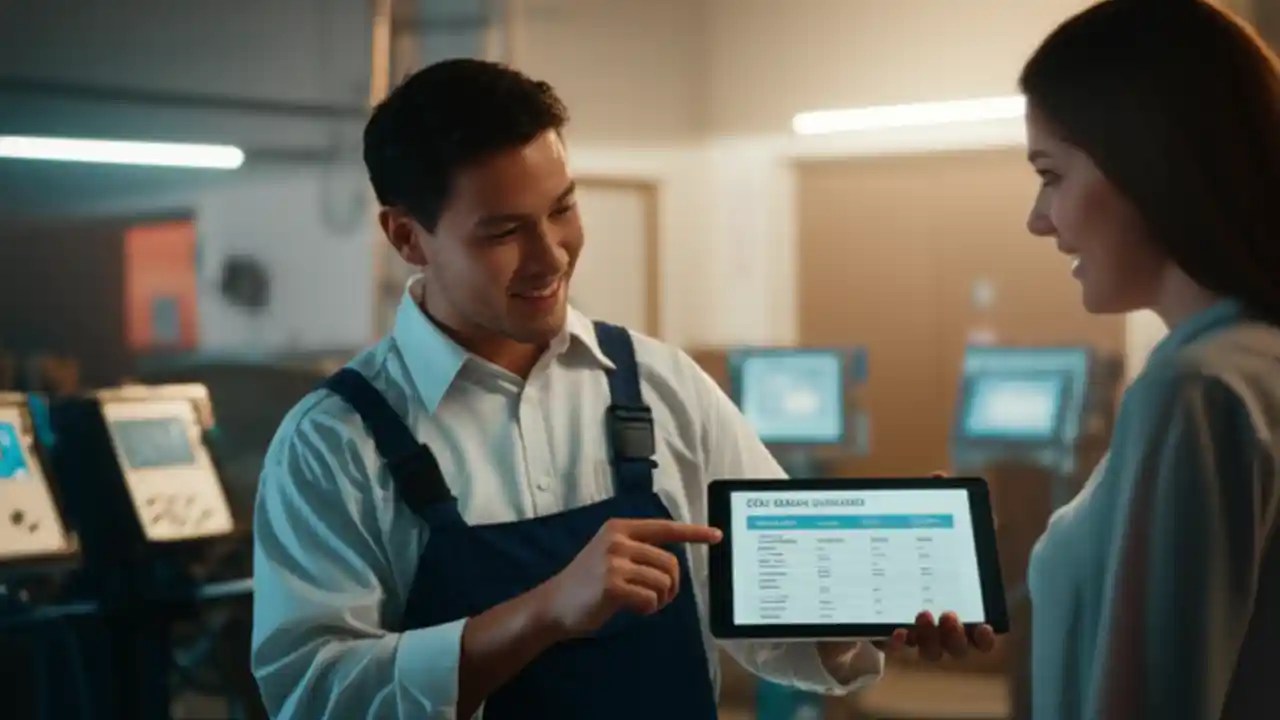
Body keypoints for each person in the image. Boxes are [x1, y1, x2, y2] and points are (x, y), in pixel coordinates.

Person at [249, 59, 987, 719]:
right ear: (407, 237)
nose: (551, 257)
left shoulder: (662, 385)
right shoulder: (334, 443)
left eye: (563, 209)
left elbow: (767, 613)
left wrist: (860, 604)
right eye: (503, 231)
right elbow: (312, 692)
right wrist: (541, 614)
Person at [1016, 1, 1280, 717]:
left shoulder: (1196, 388)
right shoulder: (1254, 364)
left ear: (1146, 162)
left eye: (1052, 174)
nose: (1040, 219)